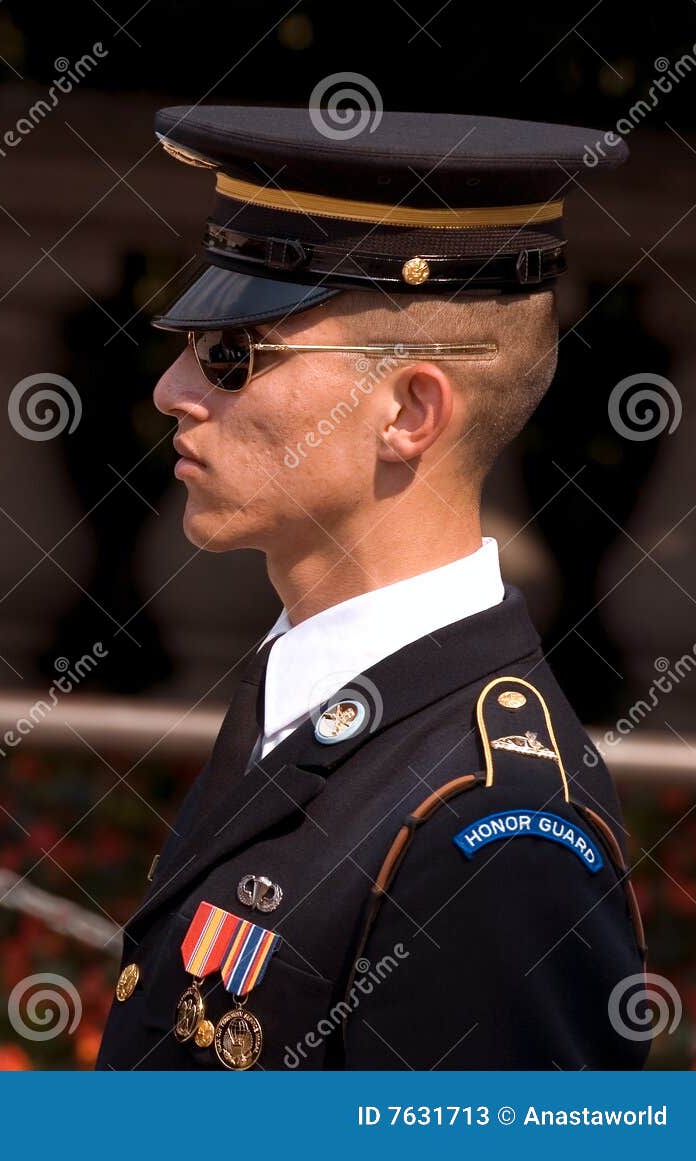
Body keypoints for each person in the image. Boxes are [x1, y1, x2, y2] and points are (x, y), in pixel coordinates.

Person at [97, 105, 647, 1069]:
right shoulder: (307, 700)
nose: (173, 390)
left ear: (409, 410)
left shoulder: (496, 830)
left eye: (234, 353)